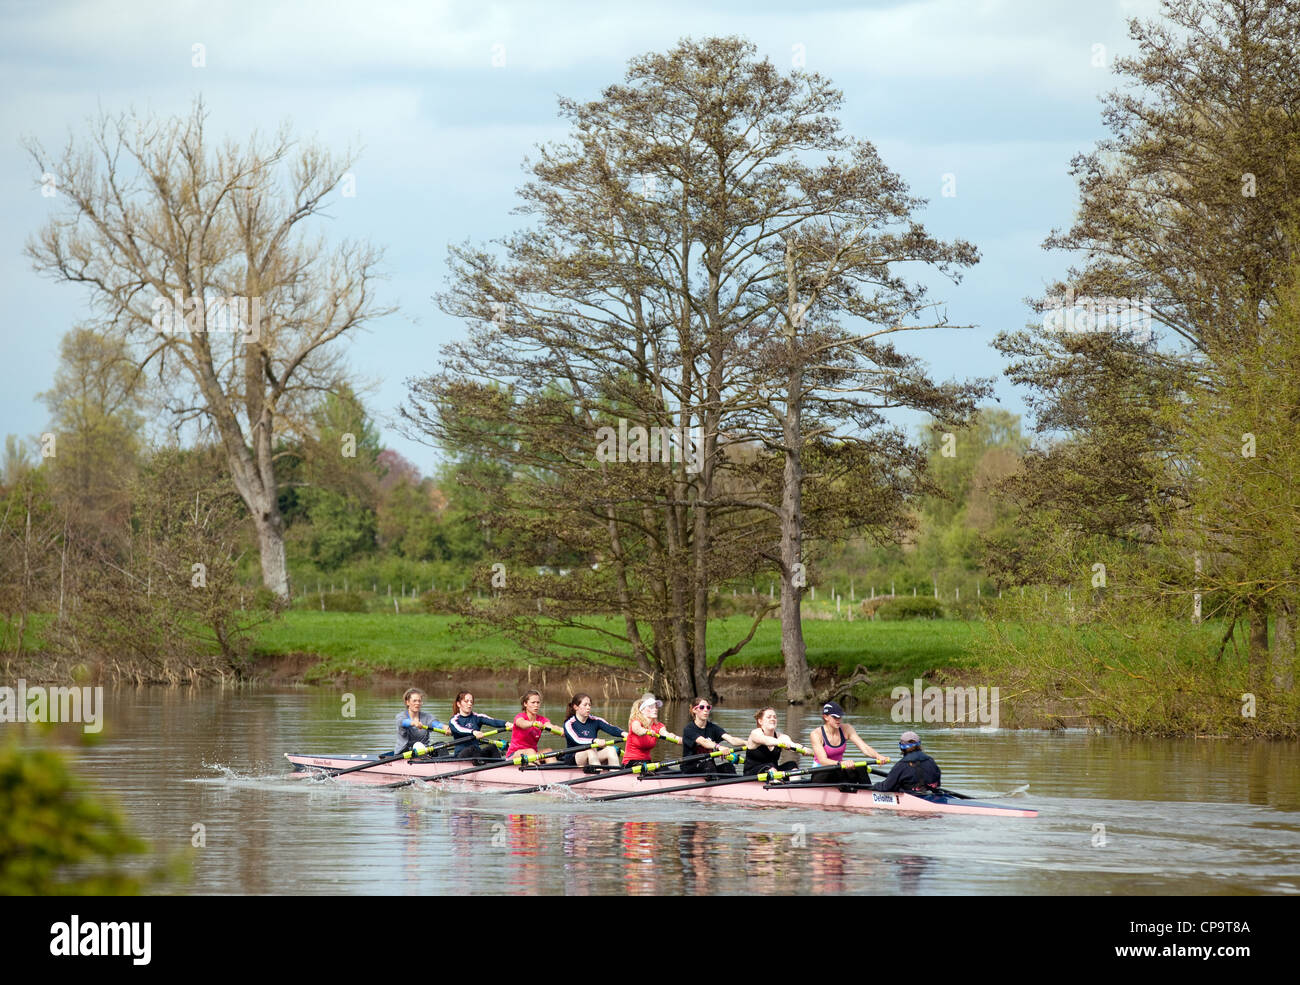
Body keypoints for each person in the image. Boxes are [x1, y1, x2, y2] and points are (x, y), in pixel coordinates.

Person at [809, 700, 885, 785]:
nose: (838, 720)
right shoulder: (816, 734)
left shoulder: (846, 729)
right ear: (825, 717)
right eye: (835, 717)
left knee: (861, 767)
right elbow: (823, 760)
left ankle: (868, 793)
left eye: (840, 717)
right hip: (821, 773)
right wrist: (841, 763)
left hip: (838, 769)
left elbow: (864, 747)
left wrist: (877, 756)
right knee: (838, 771)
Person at [680, 697, 741, 776]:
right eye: (702, 707)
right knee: (708, 765)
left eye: (708, 707)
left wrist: (749, 743)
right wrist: (719, 747)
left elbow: (732, 739)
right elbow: (703, 742)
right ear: (694, 710)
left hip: (709, 768)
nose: (706, 710)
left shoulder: (713, 727)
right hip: (690, 768)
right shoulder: (689, 729)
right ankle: (714, 785)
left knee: (728, 767)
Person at [561, 693, 625, 768]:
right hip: (574, 757)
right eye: (585, 705)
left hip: (593, 754)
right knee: (590, 750)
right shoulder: (569, 723)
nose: (588, 708)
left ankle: (615, 775)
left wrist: (624, 733)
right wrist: (594, 740)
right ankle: (597, 773)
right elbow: (577, 740)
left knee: (611, 750)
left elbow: (611, 728)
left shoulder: (595, 720)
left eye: (589, 705)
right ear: (576, 707)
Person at [872, 731, 941, 795]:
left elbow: (886, 787)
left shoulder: (901, 765)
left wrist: (875, 786)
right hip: (933, 794)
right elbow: (938, 783)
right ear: (919, 745)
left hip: (912, 797)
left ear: (901, 747)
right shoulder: (931, 761)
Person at [622, 695, 681, 768]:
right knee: (650, 768)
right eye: (651, 707)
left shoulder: (658, 725)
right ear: (642, 710)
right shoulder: (636, 722)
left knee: (665, 767)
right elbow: (638, 730)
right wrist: (646, 731)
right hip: (630, 763)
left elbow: (665, 733)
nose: (655, 709)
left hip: (647, 763)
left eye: (656, 707)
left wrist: (675, 737)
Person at [447, 690, 508, 759]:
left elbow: (493, 721)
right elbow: (460, 729)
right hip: (461, 755)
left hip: (476, 754)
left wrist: (507, 724)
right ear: (458, 704)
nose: (469, 704)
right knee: (472, 748)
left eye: (471, 702)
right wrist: (473, 732)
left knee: (493, 747)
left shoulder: (477, 717)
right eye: (466, 701)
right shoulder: (454, 720)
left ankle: (498, 767)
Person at [744, 707, 798, 776]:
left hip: (773, 771)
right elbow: (766, 740)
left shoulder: (781, 736)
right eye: (769, 717)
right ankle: (777, 783)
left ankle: (795, 785)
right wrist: (780, 743)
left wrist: (803, 748)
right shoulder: (755, 733)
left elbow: (791, 744)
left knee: (792, 765)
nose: (773, 719)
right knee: (769, 766)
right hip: (752, 774)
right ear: (760, 721)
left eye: (775, 717)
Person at [394, 688, 447, 757]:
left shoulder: (427, 717)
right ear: (407, 702)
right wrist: (413, 723)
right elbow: (403, 722)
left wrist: (445, 727)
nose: (417, 703)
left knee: (441, 745)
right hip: (404, 752)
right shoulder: (401, 716)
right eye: (414, 701)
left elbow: (436, 724)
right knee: (418, 745)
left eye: (419, 701)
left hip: (424, 751)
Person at [503, 690, 552, 760]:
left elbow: (551, 726)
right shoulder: (519, 717)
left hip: (533, 754)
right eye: (533, 702)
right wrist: (533, 723)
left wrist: (563, 730)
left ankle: (552, 770)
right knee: (530, 752)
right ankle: (536, 768)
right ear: (525, 704)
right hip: (514, 754)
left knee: (548, 751)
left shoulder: (542, 720)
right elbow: (522, 724)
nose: (536, 705)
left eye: (538, 702)